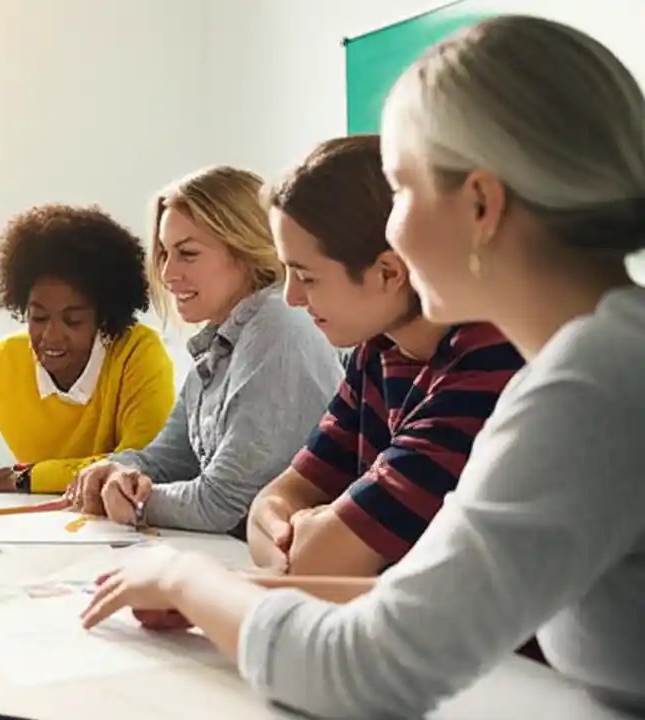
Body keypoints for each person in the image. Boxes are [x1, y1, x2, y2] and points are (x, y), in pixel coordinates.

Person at [82, 15, 645, 717]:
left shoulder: (589, 387)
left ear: (480, 205)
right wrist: (225, 593)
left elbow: (366, 671)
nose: (393, 230)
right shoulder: (600, 358)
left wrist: (188, 580)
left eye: (402, 191)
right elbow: (423, 606)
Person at [243, 134, 524, 576]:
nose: (292, 298)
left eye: (307, 277)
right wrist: (301, 534)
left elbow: (325, 559)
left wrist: (312, 537)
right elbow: (275, 501)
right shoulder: (376, 350)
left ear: (388, 272)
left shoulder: (490, 361)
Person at [65, 167, 342, 534]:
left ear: (244, 249)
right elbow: (165, 462)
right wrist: (117, 471)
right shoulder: (216, 345)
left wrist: (130, 500)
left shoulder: (279, 325)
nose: (166, 274)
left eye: (188, 253)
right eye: (164, 253)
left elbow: (221, 504)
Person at [0, 204, 174, 498]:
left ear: (103, 318)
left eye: (72, 321)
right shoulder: (9, 360)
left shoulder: (139, 353)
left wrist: (23, 478)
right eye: (38, 318)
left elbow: (144, 464)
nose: (50, 336)